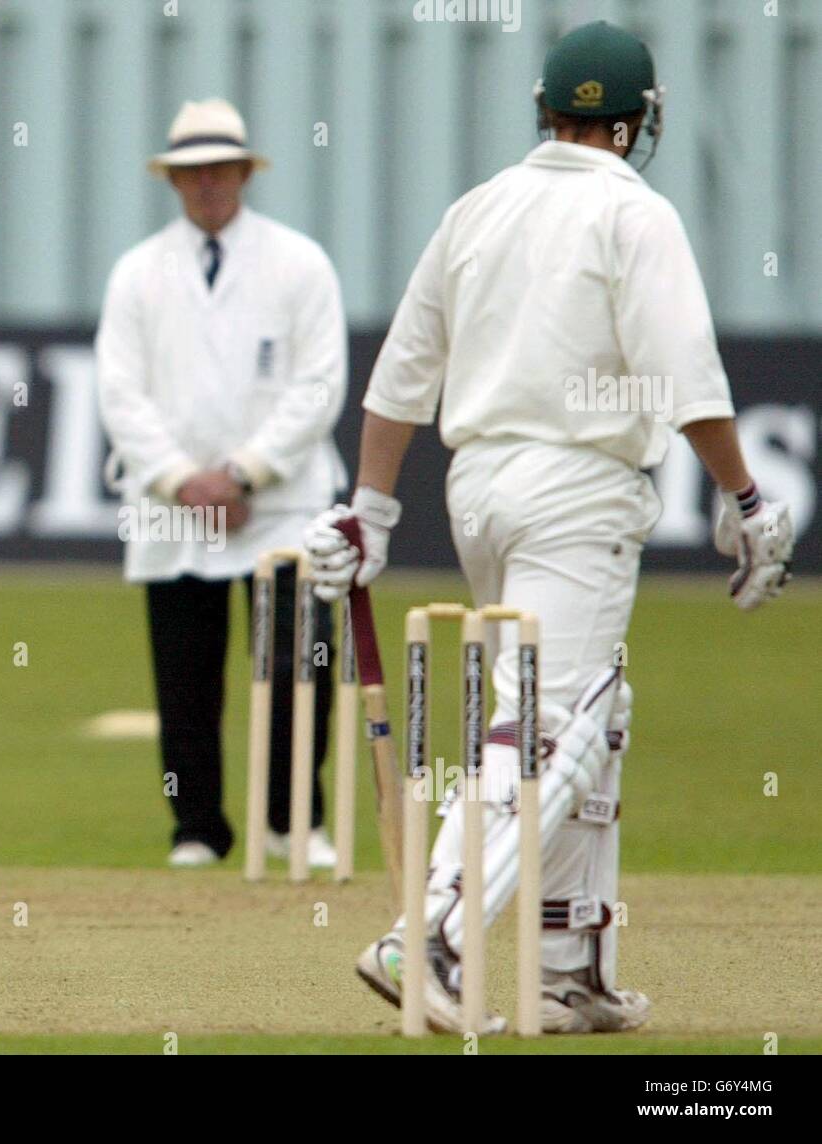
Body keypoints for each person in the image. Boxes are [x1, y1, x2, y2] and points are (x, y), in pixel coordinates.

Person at [305, 21, 793, 1033]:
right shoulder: (634, 214)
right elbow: (683, 377)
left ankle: (569, 964)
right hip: (577, 491)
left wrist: (373, 506)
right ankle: (427, 933)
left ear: (547, 111)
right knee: (551, 720)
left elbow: (401, 372)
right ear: (633, 122)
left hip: (476, 489)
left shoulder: (479, 207)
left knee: (588, 713)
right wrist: (746, 498)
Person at [97, 98, 348, 869]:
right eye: (192, 171)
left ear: (243, 172)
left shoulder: (299, 262)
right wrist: (185, 482)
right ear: (175, 180)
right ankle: (198, 828)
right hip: (174, 508)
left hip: (281, 503)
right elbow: (120, 393)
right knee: (186, 676)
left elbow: (319, 385)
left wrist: (242, 474)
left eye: (220, 168)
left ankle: (293, 818)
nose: (207, 183)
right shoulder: (138, 270)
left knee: (296, 668)